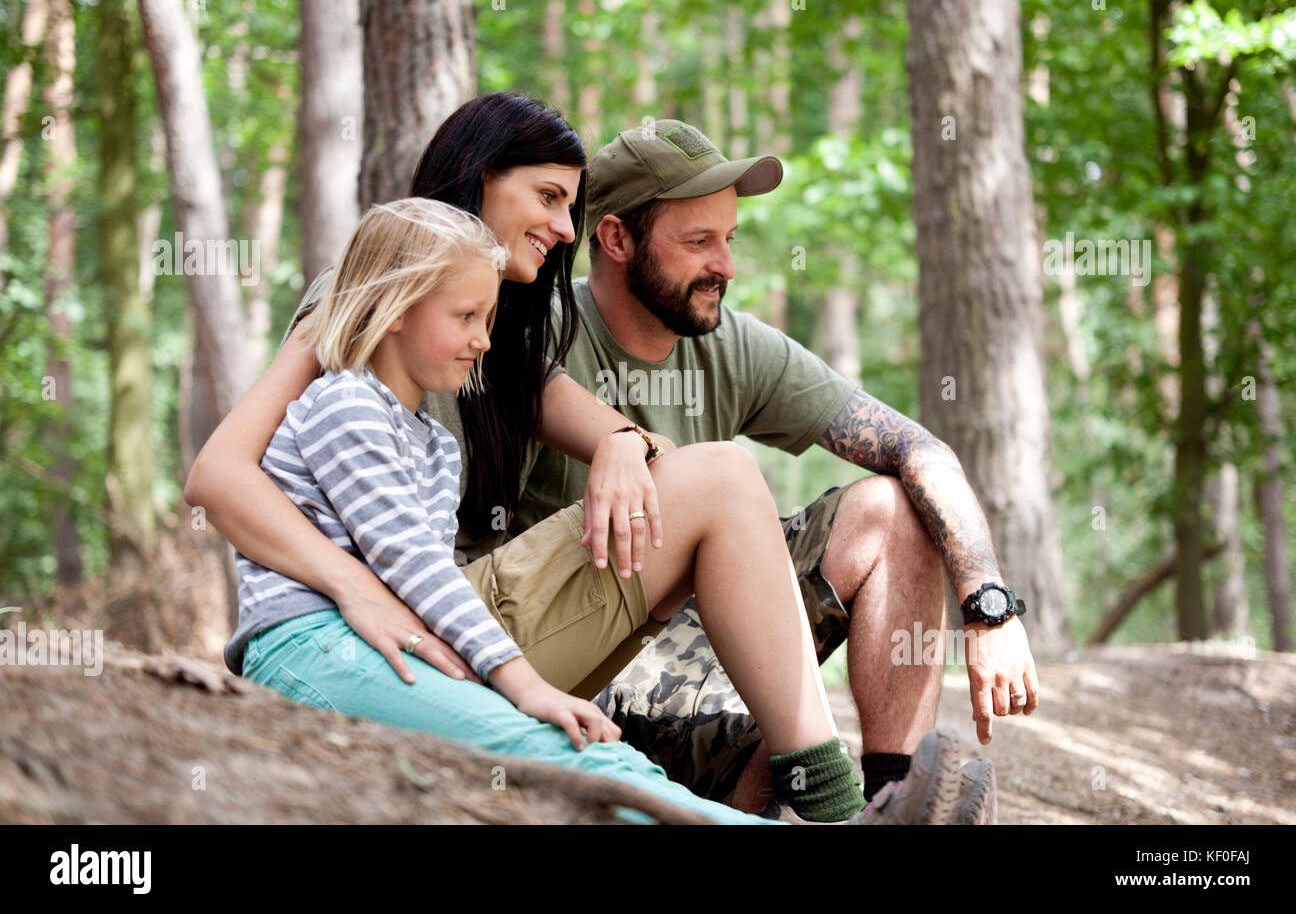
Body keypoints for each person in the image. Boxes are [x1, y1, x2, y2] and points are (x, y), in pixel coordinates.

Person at [189, 95, 907, 824]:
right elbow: (218, 478)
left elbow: (610, 430)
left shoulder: (491, 340)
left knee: (718, 477)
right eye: (549, 198)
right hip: (399, 621)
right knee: (721, 478)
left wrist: (623, 444)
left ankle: (834, 797)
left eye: (573, 206)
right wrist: (352, 588)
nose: (565, 229)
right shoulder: (372, 300)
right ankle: (839, 811)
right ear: (478, 176)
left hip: (459, 616)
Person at [504, 119, 1040, 822]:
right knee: (724, 481)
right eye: (698, 242)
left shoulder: (733, 344)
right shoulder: (527, 328)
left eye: (730, 239)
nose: (725, 264)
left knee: (891, 509)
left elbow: (921, 451)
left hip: (696, 659)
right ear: (614, 239)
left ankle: (894, 800)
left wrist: (989, 606)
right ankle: (831, 805)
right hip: (578, 673)